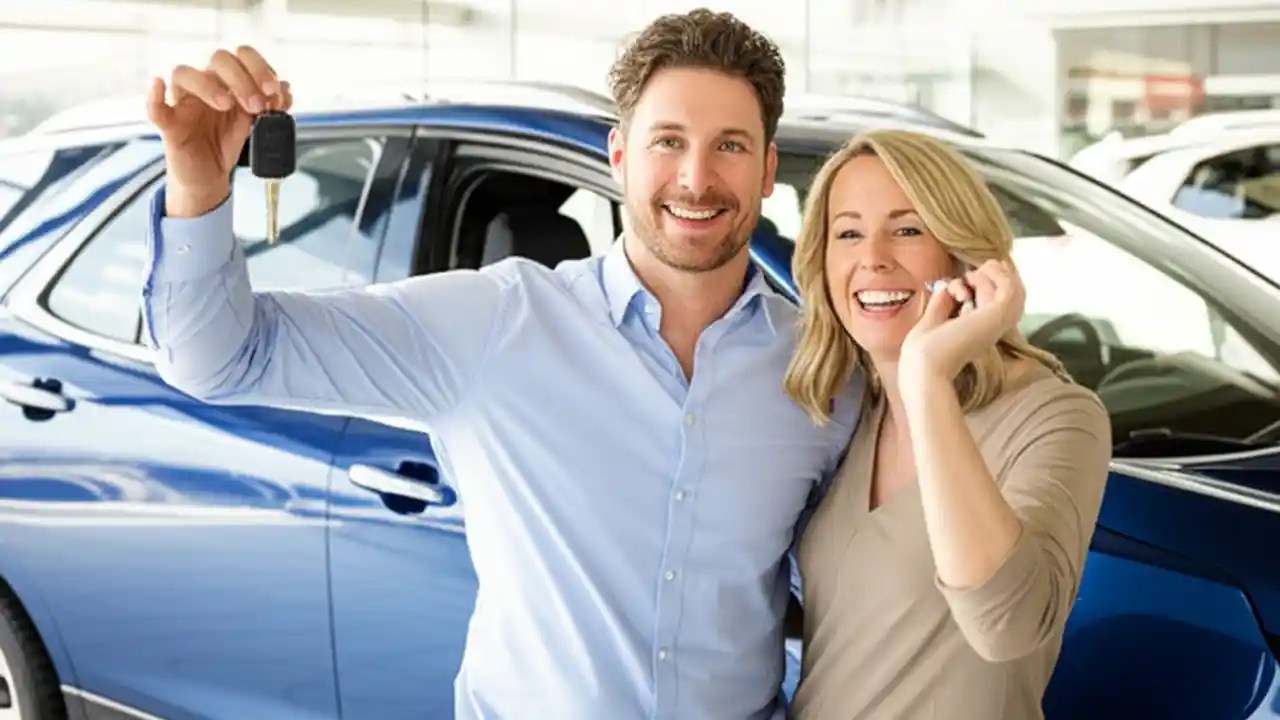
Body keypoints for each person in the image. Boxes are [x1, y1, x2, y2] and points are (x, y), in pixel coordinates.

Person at [140, 8, 860, 720]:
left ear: (768, 169)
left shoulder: (827, 373)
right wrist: (199, 188)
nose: (696, 178)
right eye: (668, 141)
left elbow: (859, 589)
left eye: (729, 146)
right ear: (619, 157)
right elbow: (223, 358)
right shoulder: (495, 324)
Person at [782, 129, 1111, 719]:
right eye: (848, 232)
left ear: (962, 256)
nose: (873, 257)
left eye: (907, 230)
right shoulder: (844, 412)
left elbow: (1006, 626)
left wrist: (928, 380)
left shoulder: (1055, 416)